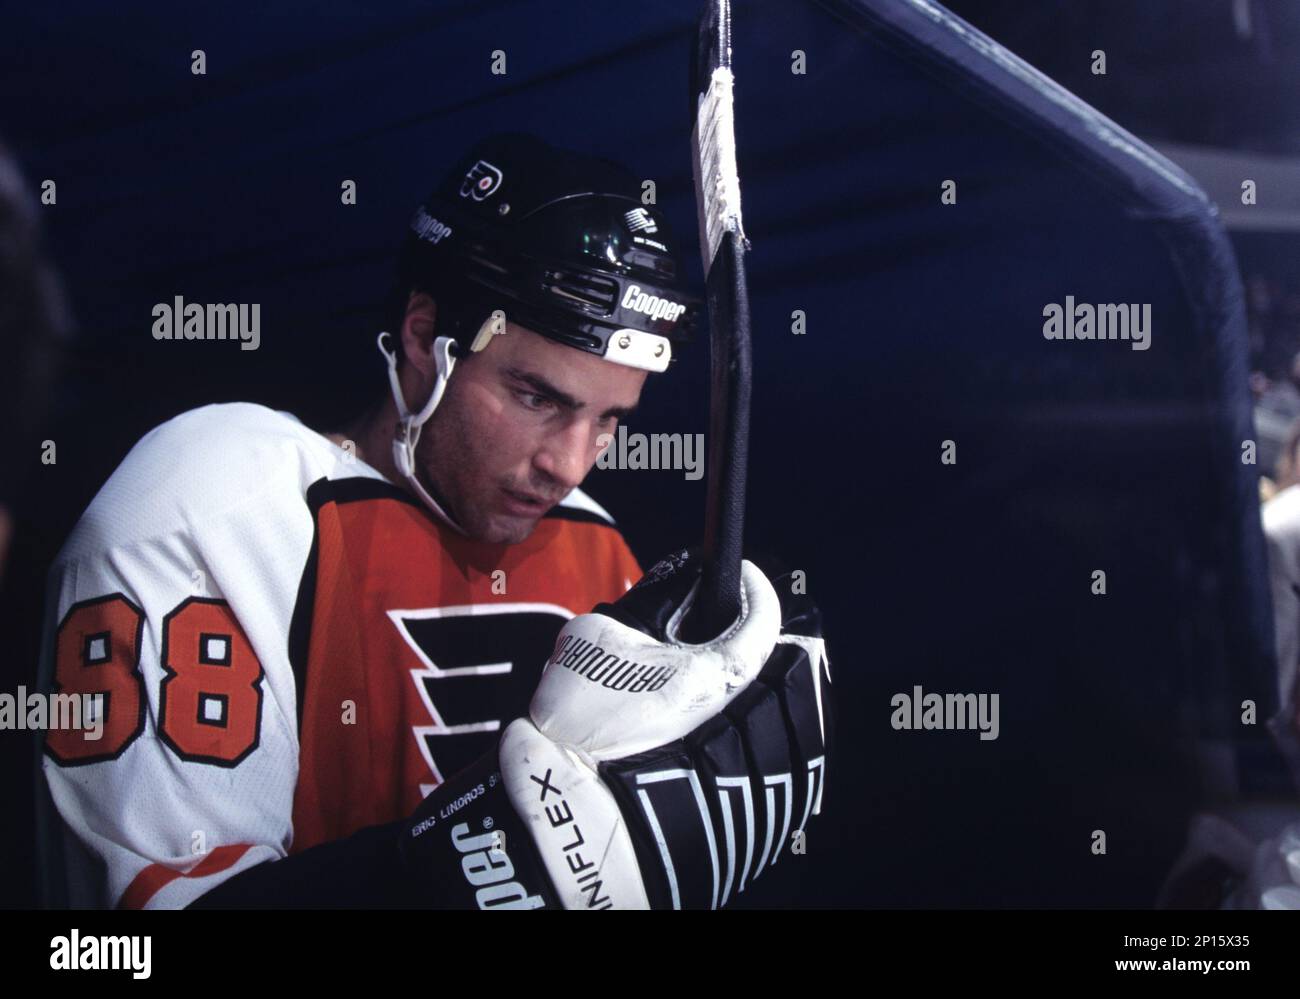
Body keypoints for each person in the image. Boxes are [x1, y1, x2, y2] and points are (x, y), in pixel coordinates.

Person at [38, 132, 832, 909]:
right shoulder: (220, 500)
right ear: (424, 335)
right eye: (537, 397)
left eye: (609, 419)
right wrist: (486, 864)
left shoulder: (595, 548)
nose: (572, 463)